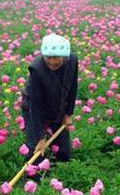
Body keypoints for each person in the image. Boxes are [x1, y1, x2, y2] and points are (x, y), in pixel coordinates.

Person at [21, 33, 78, 173]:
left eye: (56, 57)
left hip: (58, 105)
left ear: (64, 56)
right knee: (37, 152)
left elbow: (73, 87)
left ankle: (60, 177)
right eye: (48, 57)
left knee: (64, 153)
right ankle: (32, 181)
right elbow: (35, 105)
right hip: (33, 107)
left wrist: (67, 113)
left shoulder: (72, 61)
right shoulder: (37, 69)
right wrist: (40, 137)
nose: (52, 61)